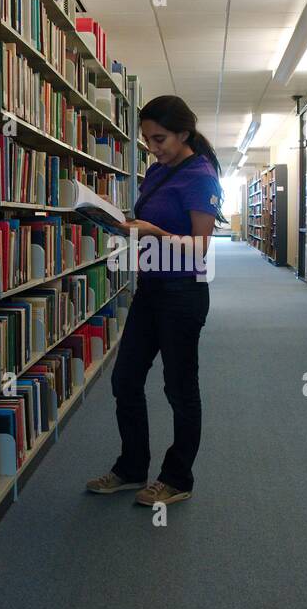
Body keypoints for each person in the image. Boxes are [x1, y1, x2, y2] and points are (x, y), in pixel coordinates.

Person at [86, 95, 225, 506]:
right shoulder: (156, 172)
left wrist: (152, 232)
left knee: (179, 388)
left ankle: (177, 477)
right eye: (147, 139)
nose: (153, 147)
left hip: (183, 293)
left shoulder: (200, 175)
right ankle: (132, 468)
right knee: (124, 379)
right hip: (150, 288)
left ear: (183, 133)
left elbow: (200, 247)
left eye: (160, 138)